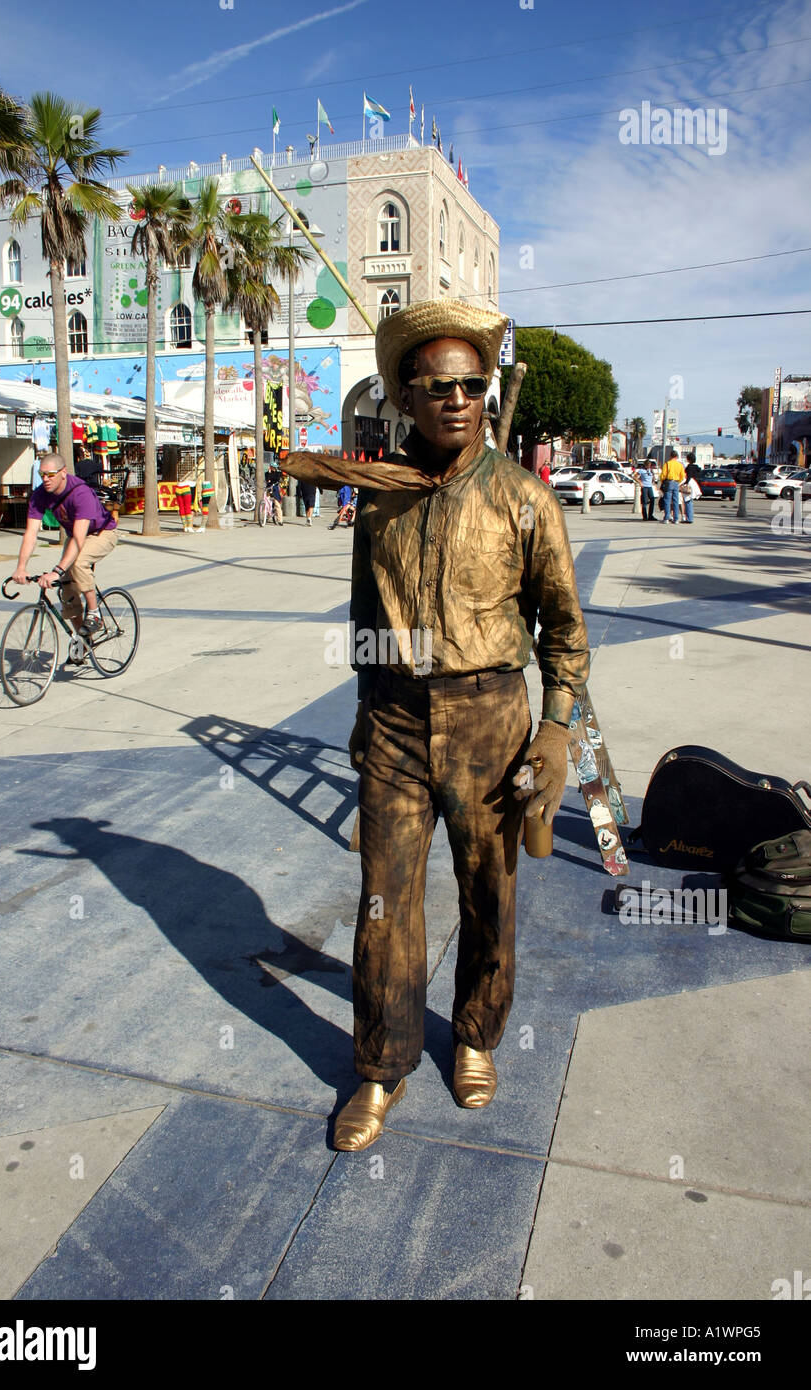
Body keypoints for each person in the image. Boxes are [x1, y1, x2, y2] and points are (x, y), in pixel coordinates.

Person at [280, 300, 590, 1151]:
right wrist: (362, 712)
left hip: (491, 716)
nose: (459, 398)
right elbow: (362, 615)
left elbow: (564, 631)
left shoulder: (524, 499)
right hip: (393, 722)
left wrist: (556, 730)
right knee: (386, 905)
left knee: (490, 893)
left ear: (487, 394)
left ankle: (478, 1036)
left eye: (473, 384)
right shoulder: (378, 502)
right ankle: (381, 1068)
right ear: (406, 396)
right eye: (439, 385)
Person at [12, 454, 117, 638]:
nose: (45, 479)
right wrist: (21, 568)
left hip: (101, 533)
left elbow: (79, 538)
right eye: (42, 474)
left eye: (50, 474)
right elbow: (31, 533)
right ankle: (83, 642)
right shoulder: (40, 494)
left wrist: (57, 570)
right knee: (67, 589)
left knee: (77, 563)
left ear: (63, 473)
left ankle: (94, 614)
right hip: (76, 536)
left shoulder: (80, 492)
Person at [660, 449, 685, 524]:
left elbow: (663, 475)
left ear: (670, 456)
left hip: (668, 482)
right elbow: (682, 476)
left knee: (667, 501)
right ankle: (676, 518)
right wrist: (678, 481)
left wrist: (662, 481)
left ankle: (667, 518)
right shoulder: (680, 465)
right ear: (676, 456)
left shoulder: (667, 464)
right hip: (676, 482)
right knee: (676, 501)